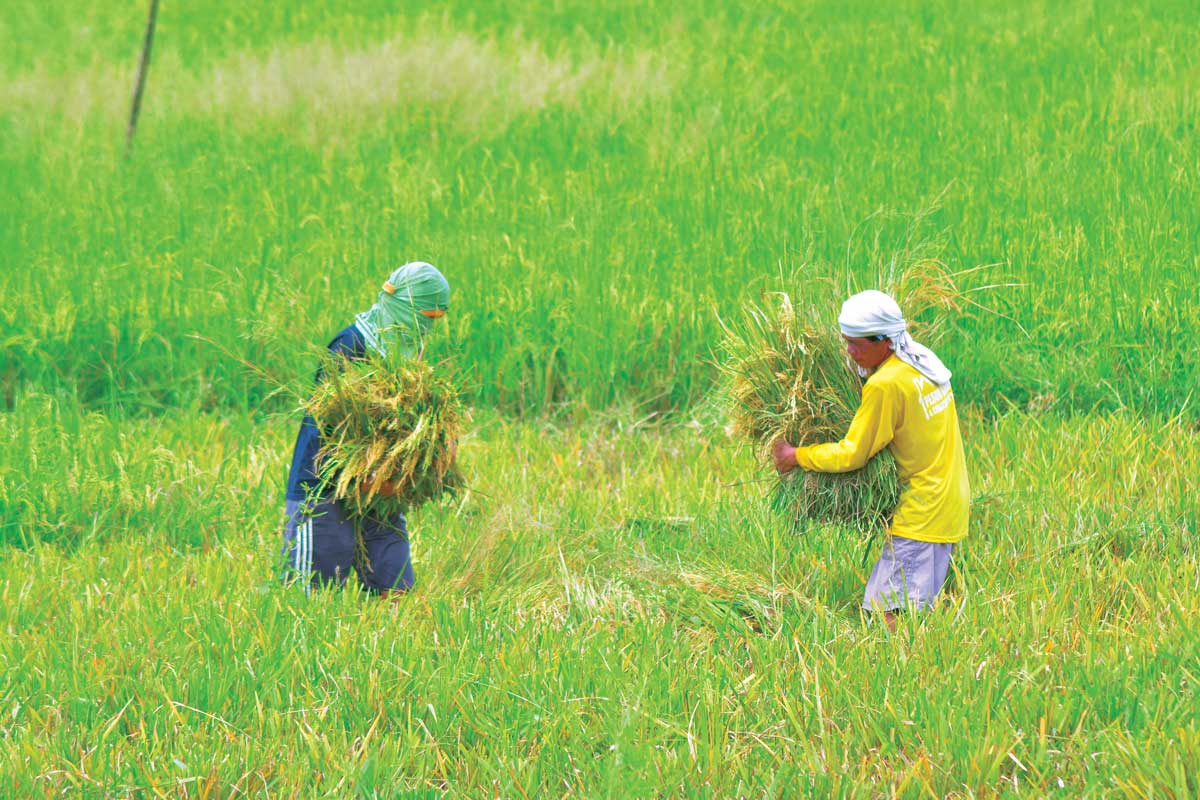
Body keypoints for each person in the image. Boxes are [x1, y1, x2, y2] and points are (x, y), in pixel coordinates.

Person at [772, 290, 970, 631]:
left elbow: (853, 453)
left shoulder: (886, 385)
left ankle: (907, 675)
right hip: (950, 502)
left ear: (885, 340)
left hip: (922, 514)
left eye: (856, 344)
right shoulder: (923, 361)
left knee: (886, 611)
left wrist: (796, 456)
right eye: (845, 342)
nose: (849, 352)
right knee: (915, 607)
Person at [282, 262, 450, 596]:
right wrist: (367, 478)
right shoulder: (351, 346)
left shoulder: (408, 351)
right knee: (313, 598)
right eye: (424, 317)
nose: (426, 329)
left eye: (434, 321)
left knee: (396, 587)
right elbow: (329, 432)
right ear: (404, 306)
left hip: (382, 493)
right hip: (326, 490)